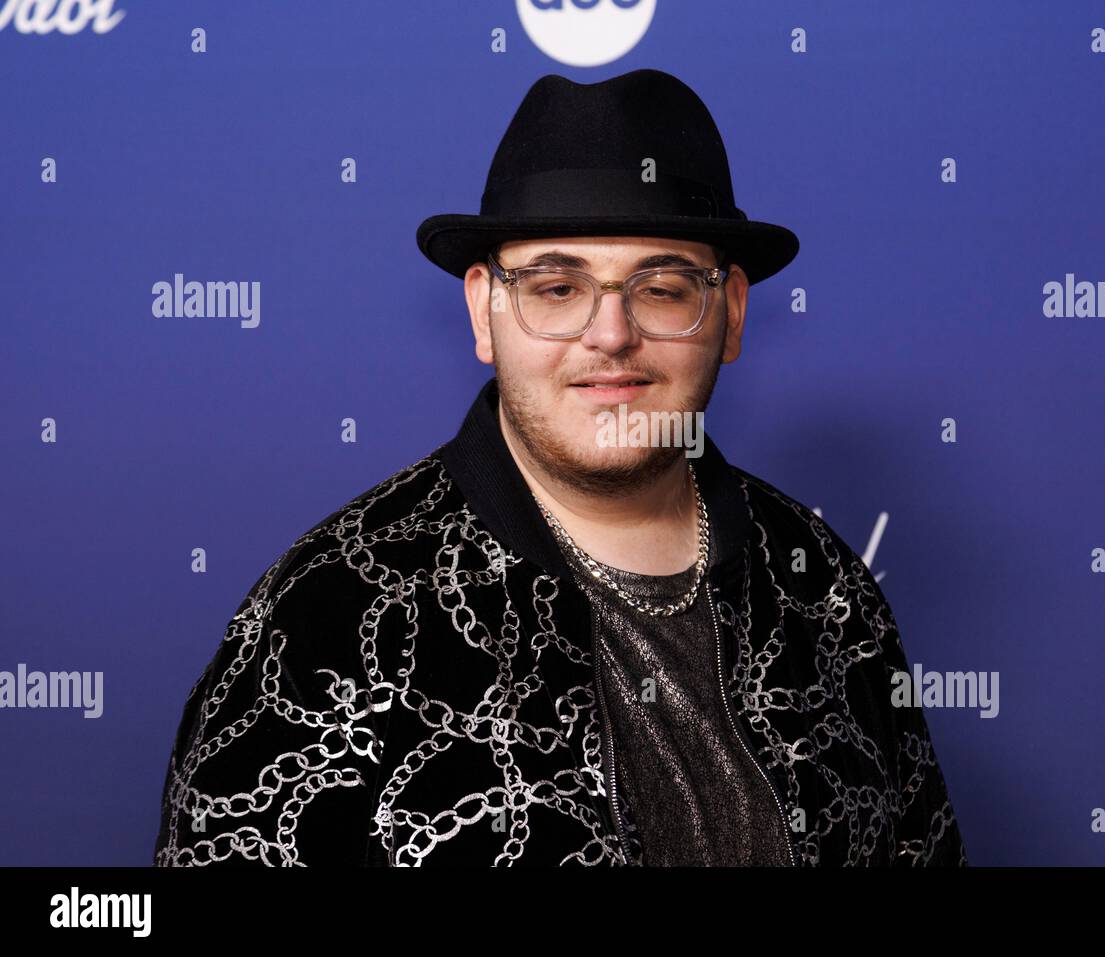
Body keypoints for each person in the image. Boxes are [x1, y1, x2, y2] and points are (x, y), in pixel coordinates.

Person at [153, 68, 966, 867]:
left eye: (663, 287)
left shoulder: (825, 588)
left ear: (731, 313)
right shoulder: (328, 612)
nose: (610, 333)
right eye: (555, 286)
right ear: (485, 309)